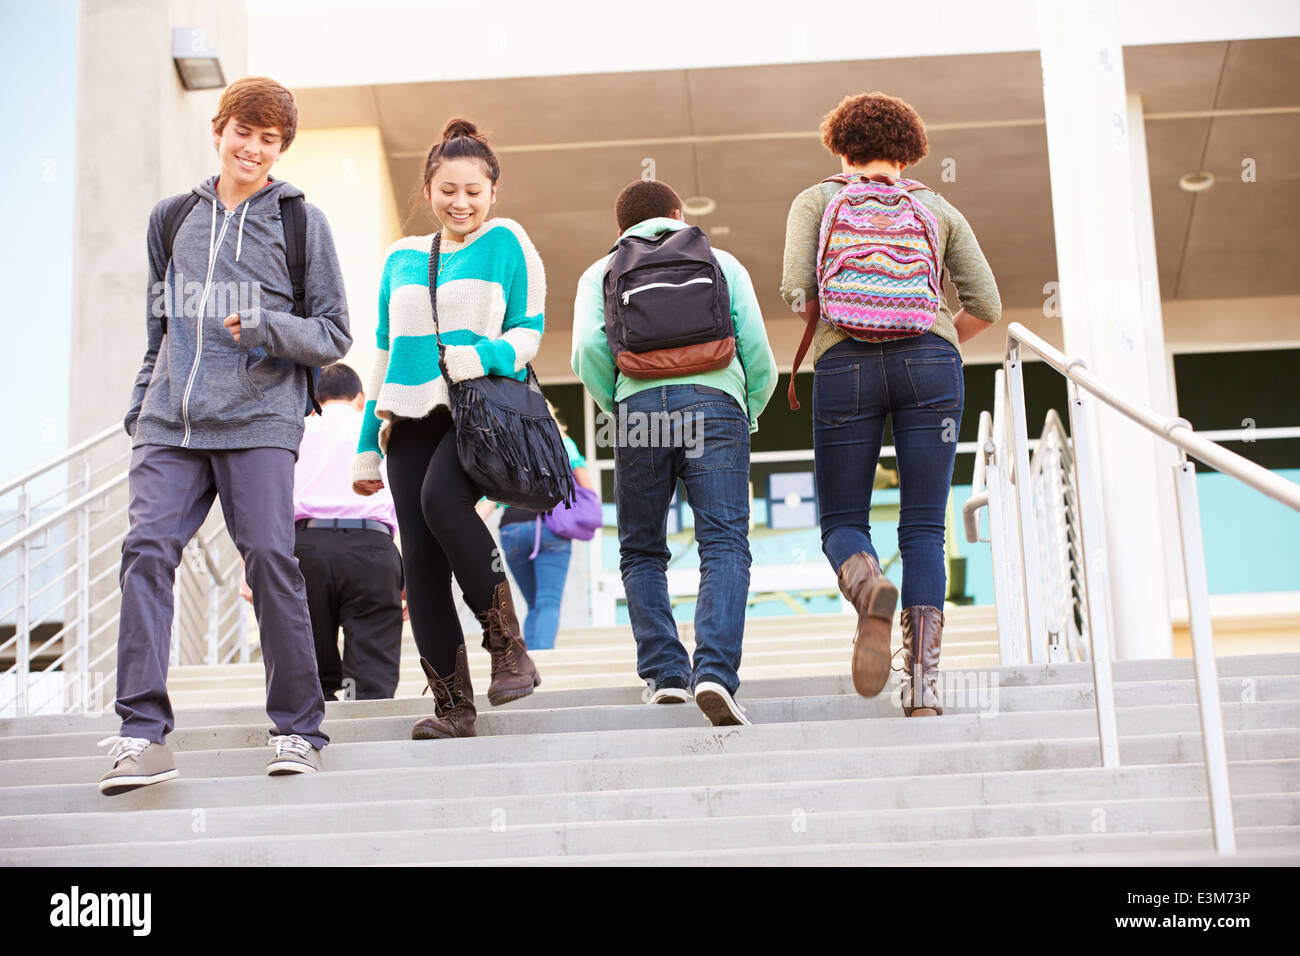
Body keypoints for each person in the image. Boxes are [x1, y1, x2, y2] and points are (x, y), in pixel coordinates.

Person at [100, 76, 352, 794]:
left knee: (271, 558)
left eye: (269, 139)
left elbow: (335, 332)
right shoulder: (173, 218)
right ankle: (141, 735)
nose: (253, 147)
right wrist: (140, 405)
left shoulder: (302, 222)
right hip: (169, 426)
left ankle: (299, 730)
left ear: (280, 149)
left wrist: (269, 327)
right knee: (146, 550)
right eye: (244, 131)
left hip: (259, 422)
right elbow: (161, 328)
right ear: (220, 130)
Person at [780, 92, 1001, 716]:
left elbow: (798, 290)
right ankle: (924, 688)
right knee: (925, 526)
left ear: (839, 146)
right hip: (929, 365)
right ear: (909, 151)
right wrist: (935, 332)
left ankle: (869, 584)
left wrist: (846, 317)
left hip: (845, 363)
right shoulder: (938, 208)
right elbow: (986, 302)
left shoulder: (817, 199)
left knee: (843, 519)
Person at [351, 117, 545, 741]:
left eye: (473, 191)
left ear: (492, 192)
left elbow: (528, 331)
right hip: (407, 422)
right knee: (421, 568)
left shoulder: (508, 242)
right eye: (447, 190)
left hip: (474, 417)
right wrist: (364, 448)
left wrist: (483, 356)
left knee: (442, 500)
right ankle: (453, 706)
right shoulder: (401, 258)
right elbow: (383, 355)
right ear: (428, 189)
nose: (460, 202)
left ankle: (505, 642)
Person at [572, 179, 778, 726]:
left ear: (621, 227)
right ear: (678, 215)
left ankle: (666, 675)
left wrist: (620, 403)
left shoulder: (603, 270)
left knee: (641, 548)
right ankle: (714, 673)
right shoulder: (719, 259)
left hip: (640, 411)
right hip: (716, 405)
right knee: (724, 543)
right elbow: (756, 347)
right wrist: (745, 405)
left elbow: (587, 350)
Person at [242, 363, 404, 701]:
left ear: (314, 398)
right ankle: (368, 728)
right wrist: (411, 575)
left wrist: (251, 568)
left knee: (308, 659)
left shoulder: (294, 431)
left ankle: (313, 735)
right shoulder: (381, 432)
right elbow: (407, 498)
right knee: (372, 668)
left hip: (305, 548)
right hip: (372, 545)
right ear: (361, 398)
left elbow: (266, 501)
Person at [488, 401, 599, 651]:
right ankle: (544, 663)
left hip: (512, 529)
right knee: (547, 602)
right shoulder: (563, 444)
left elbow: (492, 497)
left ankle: (529, 663)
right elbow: (587, 488)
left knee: (533, 605)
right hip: (550, 527)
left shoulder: (507, 448)